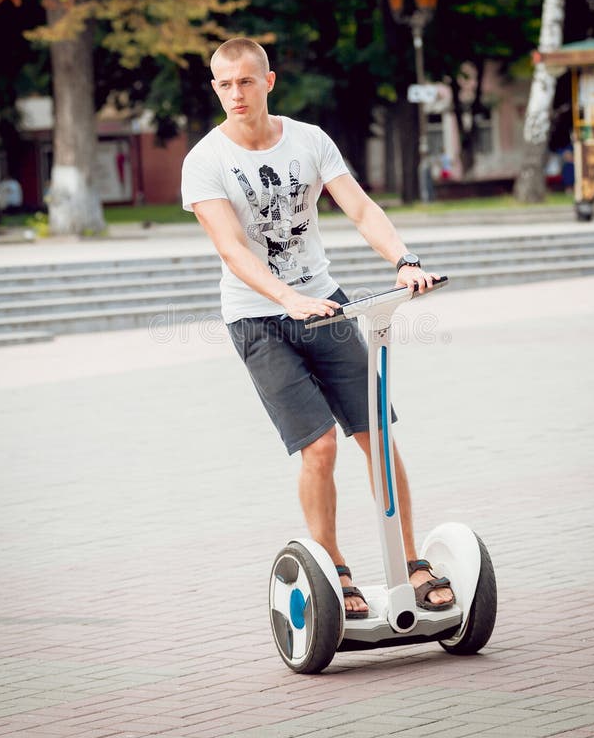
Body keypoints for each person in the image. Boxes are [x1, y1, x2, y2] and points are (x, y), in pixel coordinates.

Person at [181, 38, 454, 619]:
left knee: (375, 433)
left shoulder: (308, 140)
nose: (236, 93)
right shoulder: (204, 161)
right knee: (321, 446)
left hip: (326, 305)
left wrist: (404, 261)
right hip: (258, 318)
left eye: (246, 82)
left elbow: (359, 208)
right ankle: (336, 567)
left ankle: (412, 560)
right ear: (215, 89)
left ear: (268, 81)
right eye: (225, 84)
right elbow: (232, 249)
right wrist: (286, 299)